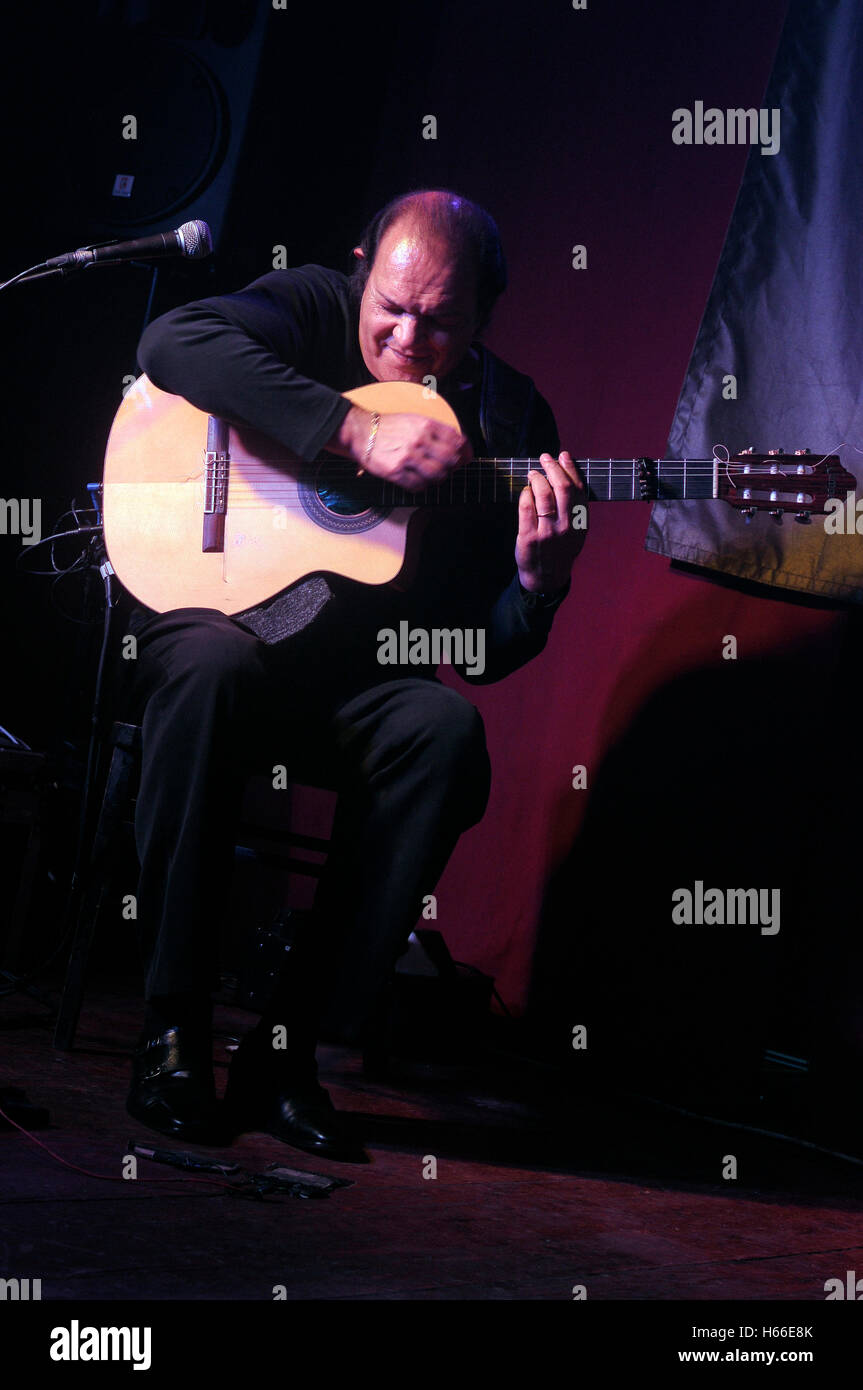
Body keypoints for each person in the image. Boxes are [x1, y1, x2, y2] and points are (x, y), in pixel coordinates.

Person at [122, 189, 587, 1161]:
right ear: (360, 268)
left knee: (444, 735)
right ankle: (171, 1026)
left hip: (354, 681)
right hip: (227, 622)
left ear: (483, 319)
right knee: (206, 669)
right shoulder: (315, 307)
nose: (406, 336)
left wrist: (537, 587)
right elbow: (173, 342)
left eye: (439, 319)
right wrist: (351, 428)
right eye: (391, 304)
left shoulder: (509, 418)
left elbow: (480, 654)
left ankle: (284, 1052)